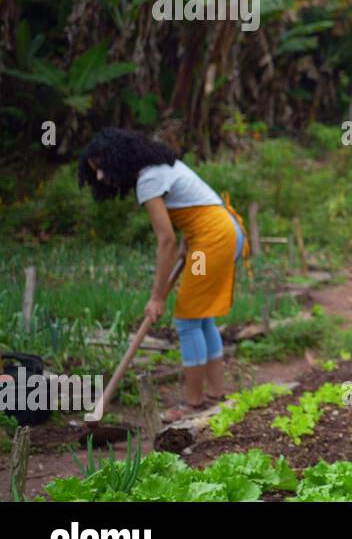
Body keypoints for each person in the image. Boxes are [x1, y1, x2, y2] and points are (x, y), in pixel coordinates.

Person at [78, 128, 248, 421]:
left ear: (117, 159)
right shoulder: (160, 164)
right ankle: (217, 394)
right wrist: (189, 239)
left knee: (186, 320)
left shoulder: (148, 180)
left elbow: (165, 240)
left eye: (102, 169)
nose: (102, 178)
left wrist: (157, 298)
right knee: (200, 316)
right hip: (219, 233)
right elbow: (196, 204)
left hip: (211, 242)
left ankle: (193, 403)